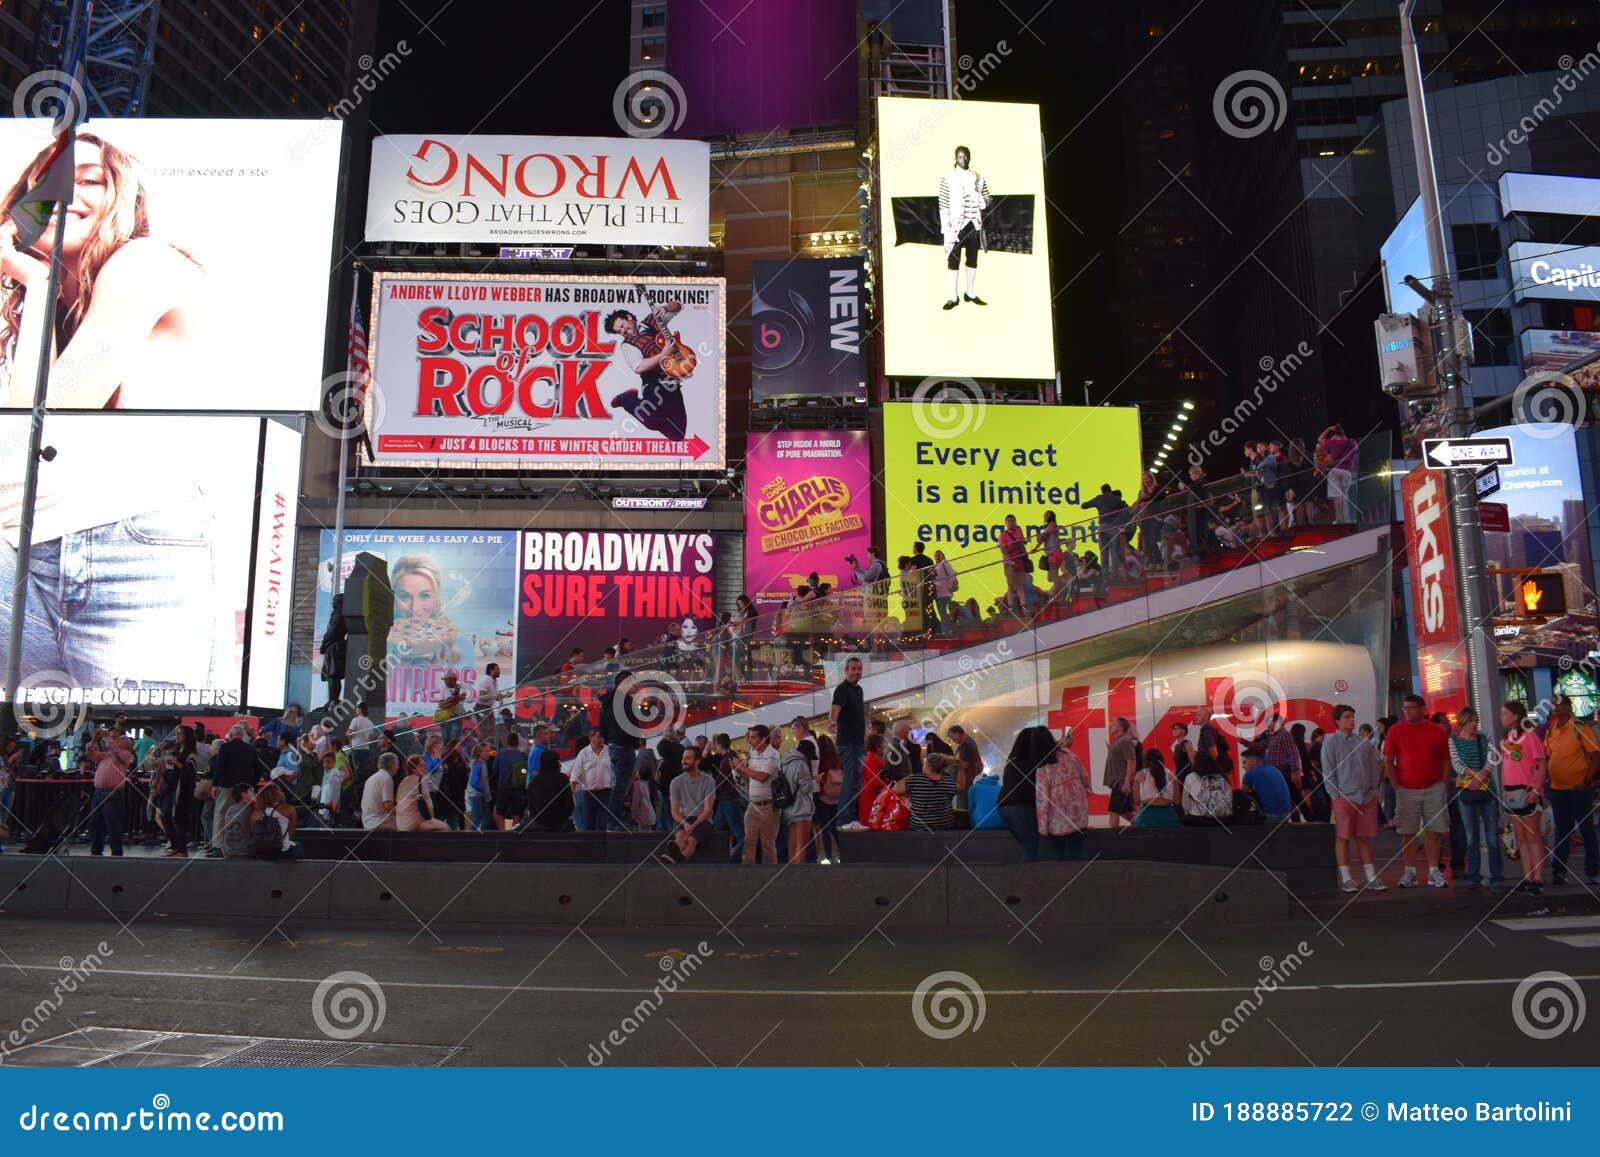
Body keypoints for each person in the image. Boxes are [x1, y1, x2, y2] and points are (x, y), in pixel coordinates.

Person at [1383, 693, 1451, 888]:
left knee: (1434, 831)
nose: (1406, 711)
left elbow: (1445, 759)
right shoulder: (1396, 730)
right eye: (1404, 708)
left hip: (1433, 787)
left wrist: (1442, 783)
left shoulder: (1437, 730)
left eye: (1410, 708)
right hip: (1406, 788)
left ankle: (1433, 872)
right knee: (1407, 831)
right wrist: (1397, 786)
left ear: (1422, 709)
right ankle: (1410, 872)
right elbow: (1388, 760)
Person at [605, 297, 690, 441]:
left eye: (623, 325)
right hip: (653, 384)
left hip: (671, 383)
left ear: (629, 318)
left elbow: (679, 306)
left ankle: (641, 404)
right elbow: (639, 366)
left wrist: (666, 308)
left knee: (678, 435)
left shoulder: (651, 321)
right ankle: (628, 399)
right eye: (619, 331)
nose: (623, 331)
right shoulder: (627, 346)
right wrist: (664, 353)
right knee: (650, 420)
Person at [1322, 704, 1385, 891]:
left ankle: (1371, 877)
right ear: (1337, 721)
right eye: (1348, 717)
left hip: (1365, 798)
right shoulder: (1330, 742)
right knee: (1343, 837)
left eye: (1353, 717)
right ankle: (1347, 878)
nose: (1352, 720)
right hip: (1344, 798)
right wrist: (1336, 796)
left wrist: (1373, 791)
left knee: (1364, 837)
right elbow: (1328, 772)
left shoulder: (1363, 742)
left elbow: (1374, 769)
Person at [1542, 695, 1600, 886]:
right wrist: (1548, 781)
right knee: (1562, 830)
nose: (1556, 709)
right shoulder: (1551, 731)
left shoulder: (1580, 728)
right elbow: (1548, 758)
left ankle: (1593, 871)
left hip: (1580, 788)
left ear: (1568, 707)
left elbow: (1595, 756)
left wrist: (1586, 780)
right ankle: (1559, 872)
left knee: (1586, 829)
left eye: (1559, 705)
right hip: (1558, 789)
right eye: (1553, 706)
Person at [1448, 707, 1501, 891]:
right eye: (1470, 721)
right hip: (1467, 788)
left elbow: (1491, 758)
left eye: (1475, 721)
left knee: (1492, 837)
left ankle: (1496, 876)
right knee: (1471, 837)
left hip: (1487, 789)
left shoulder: (1484, 738)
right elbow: (1456, 764)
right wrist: (1475, 775)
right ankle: (1474, 875)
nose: (1474, 725)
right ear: (1462, 722)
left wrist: (1482, 774)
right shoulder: (1453, 741)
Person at [1499, 701, 1548, 895]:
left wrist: (1536, 789)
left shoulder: (1529, 737)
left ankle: (1538, 878)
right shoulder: (1508, 738)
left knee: (1533, 837)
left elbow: (1542, 763)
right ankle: (1528, 876)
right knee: (1521, 837)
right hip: (1511, 791)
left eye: (1505, 714)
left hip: (1526, 789)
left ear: (1516, 716)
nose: (1501, 717)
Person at [938, 143, 990, 309]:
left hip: (974, 225)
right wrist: (947, 229)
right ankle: (953, 297)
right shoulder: (947, 178)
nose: (964, 159)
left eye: (966, 156)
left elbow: (988, 200)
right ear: (956, 158)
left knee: (972, 259)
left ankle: (970, 292)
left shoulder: (978, 177)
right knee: (953, 260)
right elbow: (943, 206)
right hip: (955, 227)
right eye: (960, 156)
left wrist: (980, 198)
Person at [1036, 728, 1092, 859]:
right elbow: (1084, 777)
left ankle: (1060, 878)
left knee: (1057, 855)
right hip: (1078, 811)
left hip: (1057, 818)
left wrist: (1043, 827)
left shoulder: (1043, 766)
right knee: (1078, 849)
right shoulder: (1069, 755)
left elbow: (1042, 798)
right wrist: (1085, 792)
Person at [732, 724, 781, 864]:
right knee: (748, 842)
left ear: (762, 739)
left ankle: (770, 877)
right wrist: (739, 770)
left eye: (753, 737)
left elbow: (762, 776)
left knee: (767, 844)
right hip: (753, 804)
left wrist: (742, 768)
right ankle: (748, 876)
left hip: (769, 805)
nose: (749, 740)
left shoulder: (773, 754)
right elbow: (751, 777)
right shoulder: (753, 753)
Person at [829, 656, 868, 832]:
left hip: (857, 744)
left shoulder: (858, 690)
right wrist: (832, 722)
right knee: (850, 782)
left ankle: (852, 818)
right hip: (848, 744)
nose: (856, 672)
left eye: (859, 669)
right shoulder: (842, 689)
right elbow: (835, 707)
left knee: (855, 783)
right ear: (846, 671)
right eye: (853, 669)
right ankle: (845, 820)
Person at [207, 723, 257, 855]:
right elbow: (258, 768)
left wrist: (215, 784)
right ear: (242, 735)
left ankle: (218, 846)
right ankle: (242, 844)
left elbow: (219, 766)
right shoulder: (250, 748)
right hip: (245, 787)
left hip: (227, 786)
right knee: (244, 814)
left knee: (221, 814)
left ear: (230, 735)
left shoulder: (225, 748)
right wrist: (252, 783)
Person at [660, 746, 716, 863]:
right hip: (683, 818)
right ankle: (678, 858)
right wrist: (685, 824)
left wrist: (694, 825)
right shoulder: (675, 782)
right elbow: (674, 811)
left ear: (697, 761)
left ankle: (678, 858)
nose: (683, 761)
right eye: (683, 758)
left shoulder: (708, 781)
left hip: (703, 820)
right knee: (680, 836)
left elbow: (708, 810)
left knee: (691, 841)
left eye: (688, 758)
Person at [86, 726, 133, 856]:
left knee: (113, 825)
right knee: (95, 823)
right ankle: (96, 851)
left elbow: (117, 750)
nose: (117, 740)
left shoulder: (126, 755)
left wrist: (107, 738)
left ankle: (116, 853)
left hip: (112, 794)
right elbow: (90, 754)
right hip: (98, 793)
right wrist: (94, 741)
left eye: (121, 739)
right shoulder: (107, 754)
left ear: (127, 744)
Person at [158, 727, 198, 857]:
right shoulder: (177, 750)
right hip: (171, 785)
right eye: (177, 734)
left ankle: (181, 849)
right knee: (166, 816)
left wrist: (177, 763)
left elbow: (191, 773)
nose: (177, 736)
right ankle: (175, 845)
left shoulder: (190, 753)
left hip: (182, 790)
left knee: (178, 818)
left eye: (180, 734)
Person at [705, 733, 745, 862]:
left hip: (728, 800)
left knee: (737, 832)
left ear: (719, 744)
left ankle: (734, 856)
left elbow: (721, 780)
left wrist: (709, 789)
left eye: (715, 744)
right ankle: (722, 856)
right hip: (726, 799)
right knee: (718, 829)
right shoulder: (731, 757)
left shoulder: (726, 760)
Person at [778, 739, 817, 863]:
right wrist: (816, 780)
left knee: (792, 843)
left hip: (788, 807)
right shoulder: (801, 764)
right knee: (801, 846)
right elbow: (806, 788)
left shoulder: (784, 762)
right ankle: (798, 875)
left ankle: (790, 872)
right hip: (802, 808)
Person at [569, 731, 612, 833]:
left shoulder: (610, 751)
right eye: (599, 736)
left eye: (603, 737)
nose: (602, 739)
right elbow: (575, 775)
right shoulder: (583, 753)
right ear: (591, 738)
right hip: (589, 794)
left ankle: (601, 847)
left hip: (606, 792)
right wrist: (572, 793)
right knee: (589, 823)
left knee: (602, 824)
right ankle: (589, 847)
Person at [525, 748, 575, 833]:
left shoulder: (534, 782)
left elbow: (531, 806)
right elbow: (569, 804)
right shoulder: (562, 779)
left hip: (539, 825)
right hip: (560, 825)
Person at [812, 734, 844, 865]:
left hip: (823, 796)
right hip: (836, 797)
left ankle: (828, 857)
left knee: (824, 828)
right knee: (834, 827)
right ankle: (842, 853)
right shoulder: (836, 760)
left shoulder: (820, 762)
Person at [909, 749, 958, 831]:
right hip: (945, 826)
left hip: (919, 828)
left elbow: (895, 790)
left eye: (924, 764)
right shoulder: (949, 781)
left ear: (929, 767)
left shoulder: (915, 780)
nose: (922, 765)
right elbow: (961, 787)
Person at [395, 755, 447, 832]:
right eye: (421, 766)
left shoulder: (403, 782)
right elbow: (428, 803)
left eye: (424, 765)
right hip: (413, 824)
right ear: (413, 769)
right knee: (445, 827)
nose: (425, 768)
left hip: (401, 824)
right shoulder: (420, 780)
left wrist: (418, 799)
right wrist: (432, 819)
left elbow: (400, 801)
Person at [1102, 715, 1137, 828]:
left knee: (1114, 812)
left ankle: (1113, 840)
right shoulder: (1118, 742)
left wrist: (1127, 782)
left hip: (1120, 783)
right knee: (1125, 812)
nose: (1111, 725)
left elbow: (1131, 762)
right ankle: (1142, 827)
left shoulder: (1125, 741)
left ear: (1121, 727)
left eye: (1115, 723)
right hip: (1119, 783)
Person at [1241, 747, 1292, 823]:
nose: (1243, 766)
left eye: (1244, 762)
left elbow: (1243, 797)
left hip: (1270, 817)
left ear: (1254, 761)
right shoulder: (1274, 769)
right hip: (1287, 815)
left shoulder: (1249, 774)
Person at [1180, 753, 1234, 825]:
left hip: (1200, 820)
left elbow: (1185, 805)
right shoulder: (1221, 776)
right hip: (1223, 820)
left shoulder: (1191, 777)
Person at [1132, 749, 1180, 827]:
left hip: (1146, 816)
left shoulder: (1139, 775)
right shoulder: (1171, 775)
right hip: (1168, 816)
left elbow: (1136, 801)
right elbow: (1177, 802)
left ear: (1145, 761)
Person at [997, 514, 1029, 614]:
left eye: (1013, 521)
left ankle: (1024, 606)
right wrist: (1017, 544)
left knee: (1020, 585)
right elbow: (1004, 551)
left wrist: (1013, 546)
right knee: (1010, 584)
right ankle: (1010, 606)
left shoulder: (1019, 531)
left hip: (1019, 560)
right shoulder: (1002, 535)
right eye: (1009, 521)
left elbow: (1020, 544)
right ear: (1006, 523)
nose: (1011, 523)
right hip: (1009, 562)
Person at [361, 753, 398, 831]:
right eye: (397, 763)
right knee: (408, 825)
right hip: (378, 823)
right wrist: (402, 815)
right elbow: (388, 806)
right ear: (392, 764)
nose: (398, 767)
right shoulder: (386, 778)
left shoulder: (372, 777)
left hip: (367, 821)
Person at [466, 741, 496, 831]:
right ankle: (470, 839)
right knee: (477, 818)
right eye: (486, 751)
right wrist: (484, 790)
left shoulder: (482, 763)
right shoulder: (478, 764)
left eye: (489, 751)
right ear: (480, 753)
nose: (488, 753)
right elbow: (474, 782)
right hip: (476, 795)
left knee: (486, 818)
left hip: (481, 795)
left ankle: (483, 838)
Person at [932, 549, 959, 630]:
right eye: (935, 555)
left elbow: (953, 575)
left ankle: (946, 630)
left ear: (942, 556)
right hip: (939, 593)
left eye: (938, 555)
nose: (937, 557)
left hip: (945, 593)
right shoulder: (936, 566)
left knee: (943, 613)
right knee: (943, 613)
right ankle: (947, 629)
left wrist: (949, 585)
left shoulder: (945, 564)